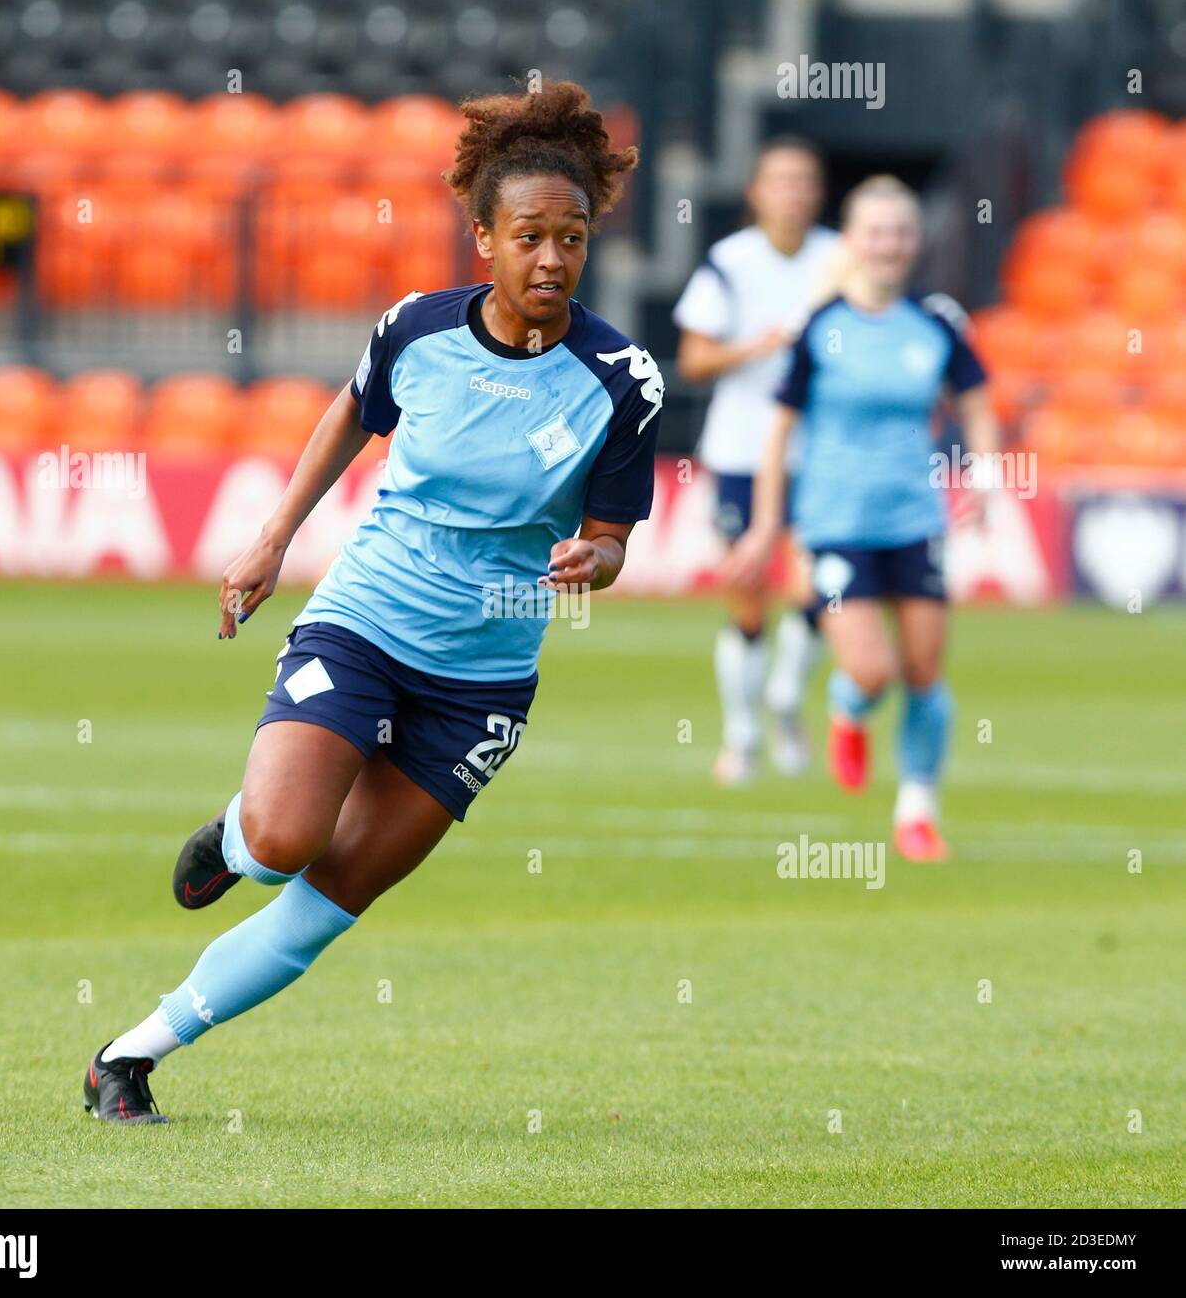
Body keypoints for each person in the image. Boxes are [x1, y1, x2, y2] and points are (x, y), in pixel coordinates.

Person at [82, 81, 663, 1122]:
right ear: (482, 236)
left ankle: (127, 1058)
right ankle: (235, 840)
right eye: (528, 236)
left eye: (570, 240)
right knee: (284, 840)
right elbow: (349, 417)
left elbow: (614, 536)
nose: (550, 260)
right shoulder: (416, 332)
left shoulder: (622, 379)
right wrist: (272, 538)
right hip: (366, 622)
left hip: (484, 678)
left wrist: (597, 561)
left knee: (328, 904)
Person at [725, 175, 997, 862]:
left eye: (901, 232)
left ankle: (916, 810)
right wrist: (765, 524)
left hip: (915, 520)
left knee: (926, 669)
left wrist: (986, 473)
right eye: (875, 232)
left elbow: (976, 401)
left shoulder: (934, 324)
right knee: (873, 670)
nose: (889, 244)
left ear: (915, 242)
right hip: (834, 523)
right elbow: (779, 431)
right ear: (852, 242)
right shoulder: (824, 327)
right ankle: (849, 709)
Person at [673, 137, 840, 786]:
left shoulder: (840, 259)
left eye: (804, 180)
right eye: (781, 180)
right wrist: (762, 346)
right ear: (757, 192)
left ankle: (787, 699)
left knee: (820, 587)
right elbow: (693, 359)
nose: (793, 192)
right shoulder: (729, 262)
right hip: (744, 448)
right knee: (747, 599)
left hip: (820, 452)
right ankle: (741, 734)